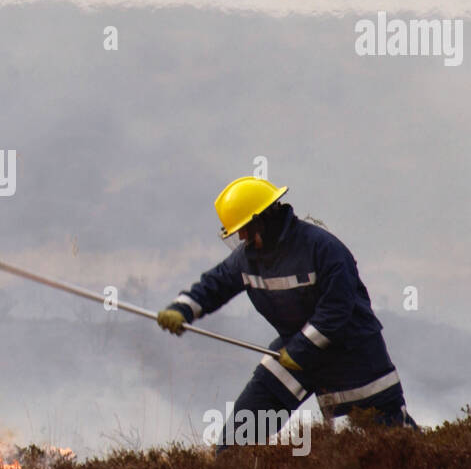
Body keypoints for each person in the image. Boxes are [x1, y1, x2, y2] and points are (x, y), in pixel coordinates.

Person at [157, 177, 418, 450]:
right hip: (294, 350)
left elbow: (337, 310)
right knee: (241, 431)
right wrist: (182, 308)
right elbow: (216, 284)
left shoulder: (324, 249)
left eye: (245, 229)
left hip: (353, 353)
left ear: (265, 218)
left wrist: (301, 348)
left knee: (391, 444)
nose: (242, 238)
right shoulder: (248, 259)